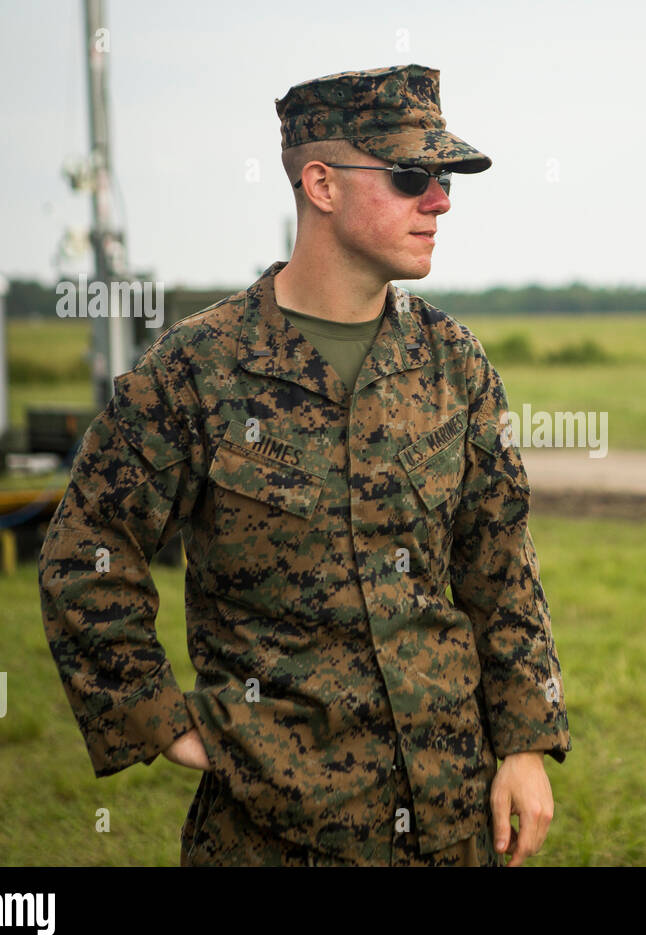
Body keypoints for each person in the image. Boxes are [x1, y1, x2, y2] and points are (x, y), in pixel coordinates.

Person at [37, 64, 571, 867]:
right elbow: (87, 553)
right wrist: (160, 717)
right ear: (320, 184)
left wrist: (524, 746)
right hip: (275, 835)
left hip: (451, 820)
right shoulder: (199, 371)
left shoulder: (451, 361)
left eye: (443, 180)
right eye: (410, 176)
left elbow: (499, 565)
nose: (441, 200)